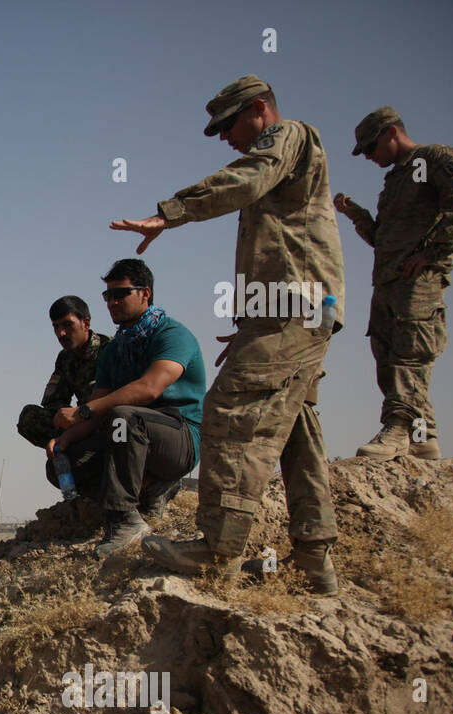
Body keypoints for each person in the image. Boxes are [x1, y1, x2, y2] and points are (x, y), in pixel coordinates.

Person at [110, 74, 345, 595]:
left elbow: (246, 177)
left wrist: (171, 213)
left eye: (229, 125)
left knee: (230, 414)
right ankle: (315, 557)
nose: (224, 138)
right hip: (294, 313)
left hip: (293, 310)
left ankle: (217, 548)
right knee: (295, 427)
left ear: (259, 108)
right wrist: (250, 325)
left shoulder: (288, 137)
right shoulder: (289, 159)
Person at [334, 107, 453, 461]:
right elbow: (383, 238)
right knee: (387, 355)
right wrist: (356, 215)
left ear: (391, 133)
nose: (368, 157)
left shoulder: (434, 158)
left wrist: (434, 253)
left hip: (417, 281)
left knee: (409, 356)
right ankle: (423, 436)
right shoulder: (396, 179)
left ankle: (398, 429)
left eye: (370, 147)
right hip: (389, 281)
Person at [43, 261, 205, 555]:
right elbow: (99, 409)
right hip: (131, 435)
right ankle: (151, 490)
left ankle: (124, 518)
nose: (113, 302)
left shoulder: (171, 334)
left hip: (179, 436)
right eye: (108, 296)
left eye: (120, 294)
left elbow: (149, 388)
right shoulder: (115, 349)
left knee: (124, 418)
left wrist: (82, 411)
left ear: (145, 293)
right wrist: (65, 441)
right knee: (61, 463)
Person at [16, 295, 111, 451]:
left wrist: (82, 413)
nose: (61, 333)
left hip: (105, 419)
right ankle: (71, 446)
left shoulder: (110, 348)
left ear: (85, 323)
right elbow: (54, 402)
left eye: (67, 325)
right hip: (78, 422)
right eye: (56, 327)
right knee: (29, 417)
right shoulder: (65, 358)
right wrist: (66, 417)